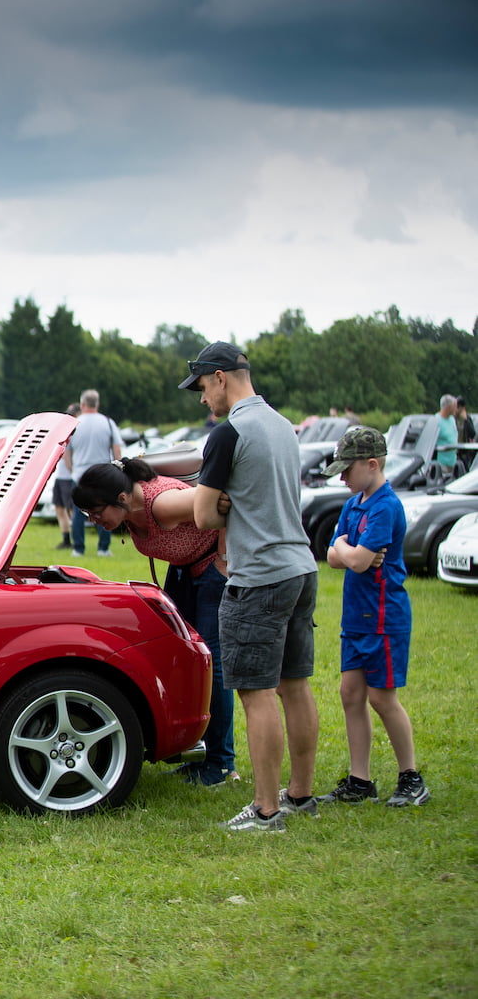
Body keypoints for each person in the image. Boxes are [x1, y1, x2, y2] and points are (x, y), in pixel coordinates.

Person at [183, 342, 319, 833]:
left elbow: (201, 513)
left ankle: (266, 810)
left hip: (258, 575)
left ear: (220, 378)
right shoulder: (284, 426)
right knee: (295, 686)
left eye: (201, 387)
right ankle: (301, 794)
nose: (202, 399)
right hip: (301, 567)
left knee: (256, 694)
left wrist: (224, 502)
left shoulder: (228, 433)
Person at [74, 458, 236, 786]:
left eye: (96, 513)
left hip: (210, 570)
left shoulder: (163, 505)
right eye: (87, 516)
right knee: (182, 657)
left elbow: (226, 500)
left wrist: (223, 556)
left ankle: (220, 763)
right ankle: (196, 754)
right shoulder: (129, 503)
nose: (94, 521)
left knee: (211, 663)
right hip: (185, 569)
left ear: (121, 498)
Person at [317, 427, 429, 808]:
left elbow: (360, 562)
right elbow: (334, 556)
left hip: (383, 618)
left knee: (382, 698)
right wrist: (348, 549)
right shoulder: (352, 505)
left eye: (348, 470)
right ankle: (360, 780)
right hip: (356, 619)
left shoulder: (386, 506)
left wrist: (347, 550)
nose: (343, 477)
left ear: (372, 464)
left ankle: (411, 777)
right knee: (351, 693)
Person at [65, 389, 123, 557]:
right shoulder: (108, 422)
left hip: (80, 474)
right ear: (97, 404)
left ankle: (78, 548)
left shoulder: (74, 424)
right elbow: (117, 449)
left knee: (78, 513)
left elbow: (66, 452)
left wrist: (71, 469)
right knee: (105, 510)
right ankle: (103, 548)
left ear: (82, 404)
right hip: (102, 475)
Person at [51, 402, 82, 550]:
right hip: (61, 475)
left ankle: (77, 542)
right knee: (59, 508)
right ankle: (66, 539)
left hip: (70, 477)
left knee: (71, 510)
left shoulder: (79, 432)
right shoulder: (67, 431)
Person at [433, 394, 459, 478]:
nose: (456, 408)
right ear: (449, 407)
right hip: (441, 464)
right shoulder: (436, 420)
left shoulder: (452, 419)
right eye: (455, 406)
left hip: (453, 462)